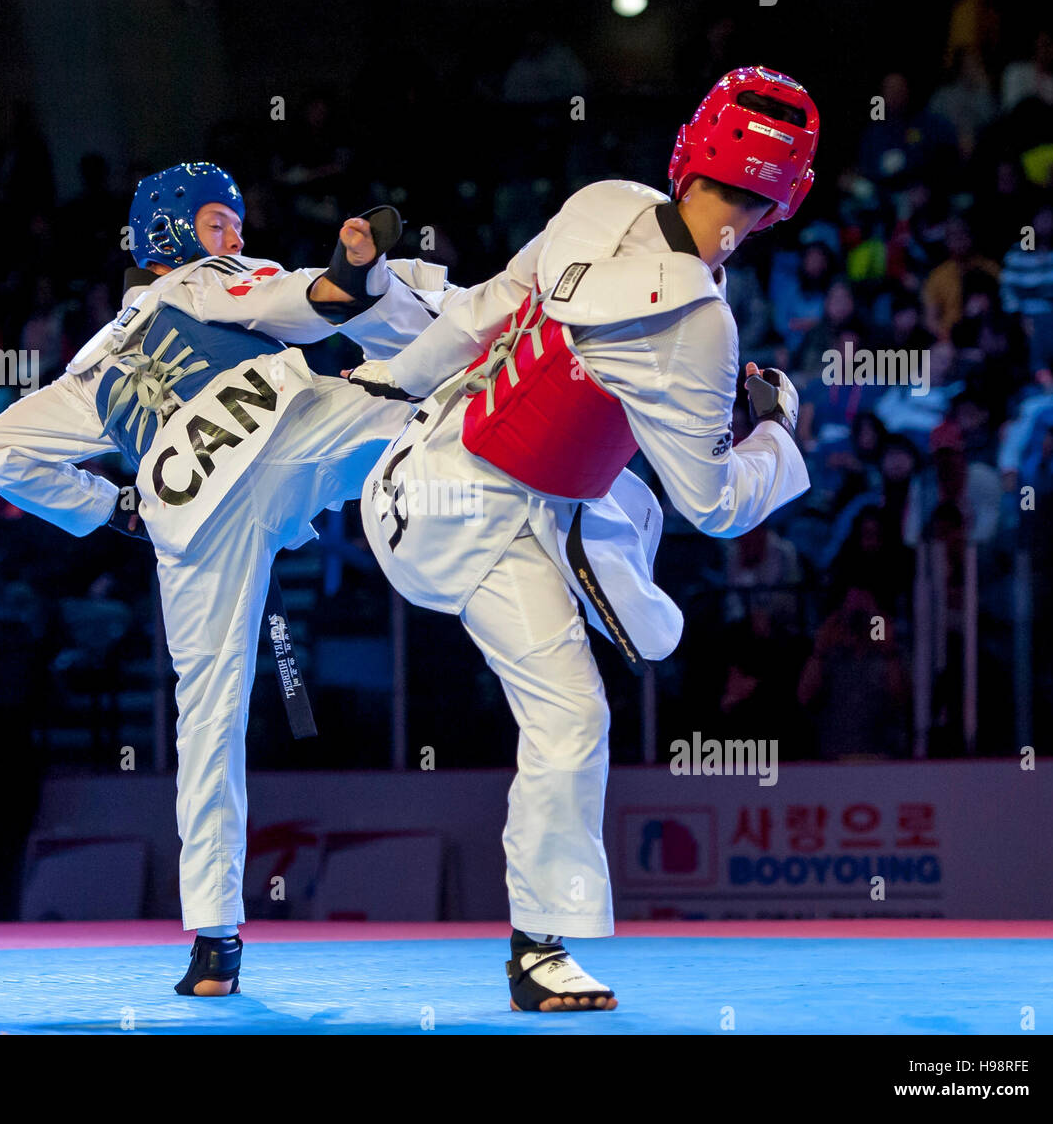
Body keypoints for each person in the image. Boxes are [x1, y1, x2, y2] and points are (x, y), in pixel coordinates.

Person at [348, 66, 818, 1010]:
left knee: (625, 547)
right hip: (476, 521)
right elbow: (715, 503)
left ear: (688, 151)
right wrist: (778, 431)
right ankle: (538, 950)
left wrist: (394, 379)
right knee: (574, 714)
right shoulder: (700, 325)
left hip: (436, 448)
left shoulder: (603, 200)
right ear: (782, 206)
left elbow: (481, 310)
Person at [0, 162, 455, 996]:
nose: (234, 236)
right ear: (168, 232)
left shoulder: (90, 366)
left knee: (208, 717)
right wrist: (343, 282)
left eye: (235, 224)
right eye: (215, 223)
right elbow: (299, 302)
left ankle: (214, 940)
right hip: (280, 442)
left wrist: (113, 508)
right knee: (430, 418)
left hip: (192, 519)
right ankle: (533, 371)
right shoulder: (205, 281)